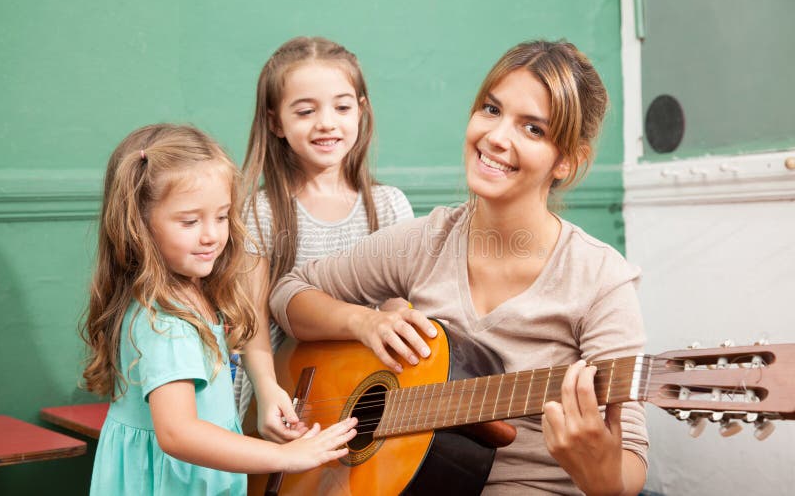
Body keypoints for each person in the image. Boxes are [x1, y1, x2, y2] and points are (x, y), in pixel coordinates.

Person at [268, 41, 648, 495]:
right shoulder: (426, 241)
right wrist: (363, 322)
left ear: (568, 160)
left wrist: (601, 472)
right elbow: (289, 293)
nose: (497, 137)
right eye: (492, 109)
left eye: (532, 129)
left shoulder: (600, 279)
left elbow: (630, 465)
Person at [81, 124, 357, 495]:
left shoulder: (195, 288)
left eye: (222, 216)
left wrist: (266, 389)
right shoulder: (165, 321)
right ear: (138, 226)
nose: (211, 235)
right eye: (190, 221)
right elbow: (178, 433)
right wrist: (287, 457)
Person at [234, 36, 413, 440]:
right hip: (287, 394)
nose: (327, 123)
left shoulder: (388, 206)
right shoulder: (261, 212)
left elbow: (397, 309)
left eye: (342, 107)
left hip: (362, 397)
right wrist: (267, 391)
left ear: (361, 110)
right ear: (275, 122)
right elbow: (251, 322)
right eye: (306, 111)